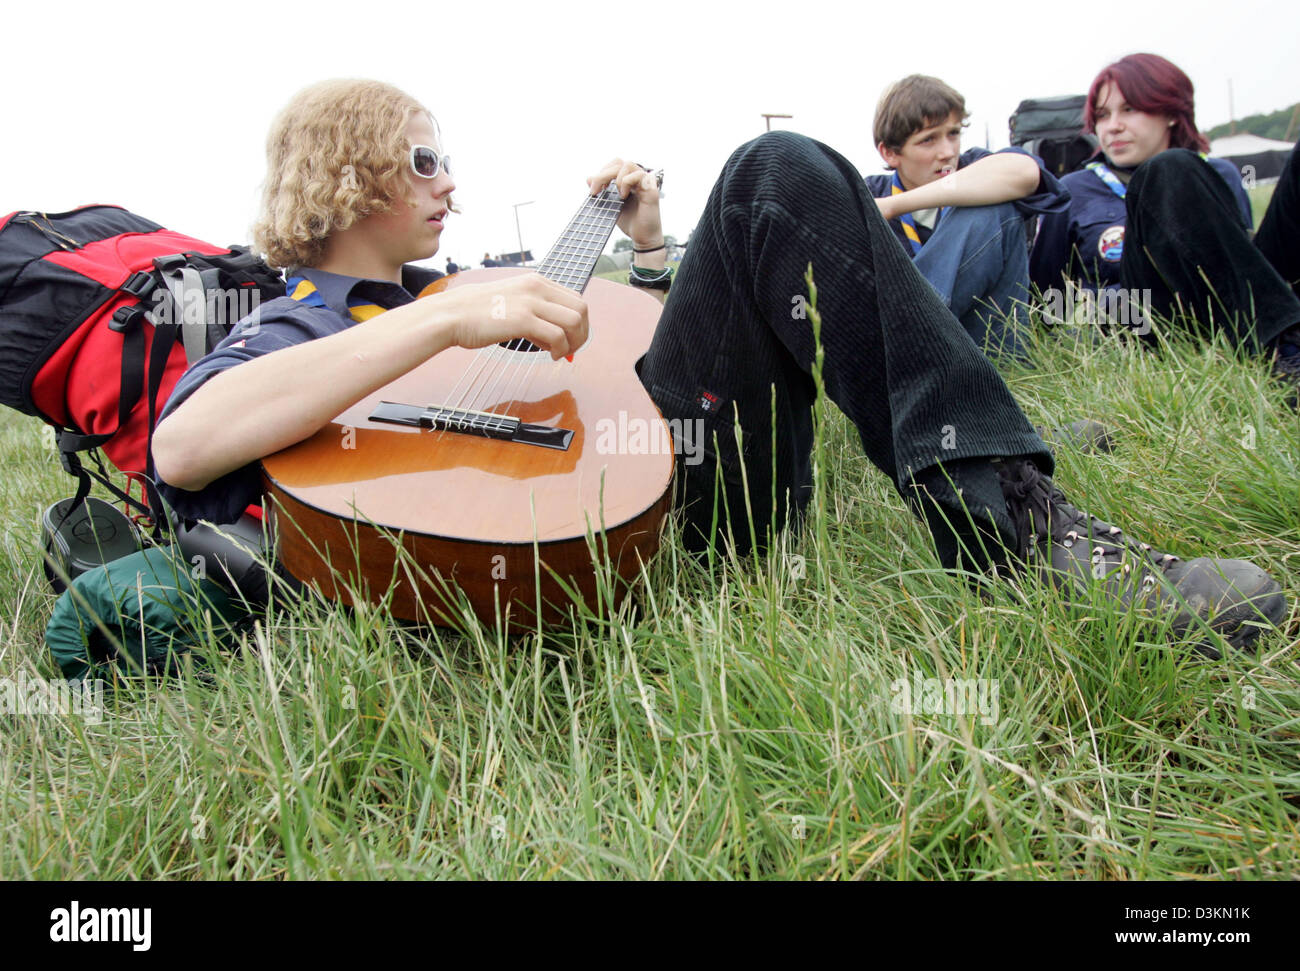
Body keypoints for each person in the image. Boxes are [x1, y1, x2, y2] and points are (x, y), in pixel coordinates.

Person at [150, 79, 1287, 656]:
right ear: (353, 175)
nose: (449, 180)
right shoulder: (310, 322)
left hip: (674, 487)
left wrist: (642, 246)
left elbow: (646, 366)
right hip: (563, 546)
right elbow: (186, 442)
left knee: (777, 172)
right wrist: (442, 321)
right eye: (425, 157)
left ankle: (1012, 514)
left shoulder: (463, 299)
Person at [1029, 53, 1300, 385]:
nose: (1112, 126)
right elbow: (1044, 302)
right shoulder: (1073, 190)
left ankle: (1285, 341)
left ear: (1171, 112)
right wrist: (1100, 312)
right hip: (1145, 319)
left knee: (1179, 169)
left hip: (1225, 313)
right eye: (1102, 115)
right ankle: (1282, 353)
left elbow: (1242, 265)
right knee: (1169, 169)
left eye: (1129, 110)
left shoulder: (1219, 173)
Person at [864, 75, 1070, 361]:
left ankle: (1002, 373)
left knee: (992, 204)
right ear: (890, 152)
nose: (947, 152)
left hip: (986, 352)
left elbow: (1026, 173)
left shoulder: (977, 167)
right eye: (928, 140)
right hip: (901, 352)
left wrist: (892, 206)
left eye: (953, 133)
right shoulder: (868, 192)